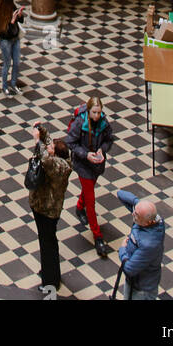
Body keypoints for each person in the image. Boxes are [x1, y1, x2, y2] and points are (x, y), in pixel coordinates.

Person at [67, 91, 114, 257]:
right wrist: (85, 154)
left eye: (99, 112)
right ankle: (97, 236)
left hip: (97, 165)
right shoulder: (80, 123)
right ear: (88, 111)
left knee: (88, 192)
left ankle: (79, 207)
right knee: (91, 201)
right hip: (84, 166)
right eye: (94, 112)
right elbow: (70, 142)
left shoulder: (103, 123)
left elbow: (110, 139)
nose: (97, 115)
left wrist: (102, 149)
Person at [27, 124, 72, 294]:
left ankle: (50, 282)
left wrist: (38, 141)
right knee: (47, 241)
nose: (49, 147)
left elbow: (45, 158)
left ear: (56, 154)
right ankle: (50, 272)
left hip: (47, 210)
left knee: (47, 244)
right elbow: (47, 146)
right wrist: (42, 131)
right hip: (43, 207)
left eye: (52, 147)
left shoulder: (58, 167)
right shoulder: (60, 161)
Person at [116, 189, 166, 299]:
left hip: (142, 290)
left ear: (147, 223)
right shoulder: (147, 218)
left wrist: (123, 249)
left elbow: (129, 268)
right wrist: (137, 203)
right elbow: (120, 194)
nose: (133, 214)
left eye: (136, 215)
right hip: (134, 282)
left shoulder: (149, 244)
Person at [0, 0, 25, 95]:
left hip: (15, 39)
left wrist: (20, 15)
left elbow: (20, 21)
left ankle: (13, 83)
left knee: (16, 63)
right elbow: (4, 32)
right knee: (7, 64)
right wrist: (12, 21)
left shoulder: (13, 7)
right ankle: (4, 86)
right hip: (6, 41)